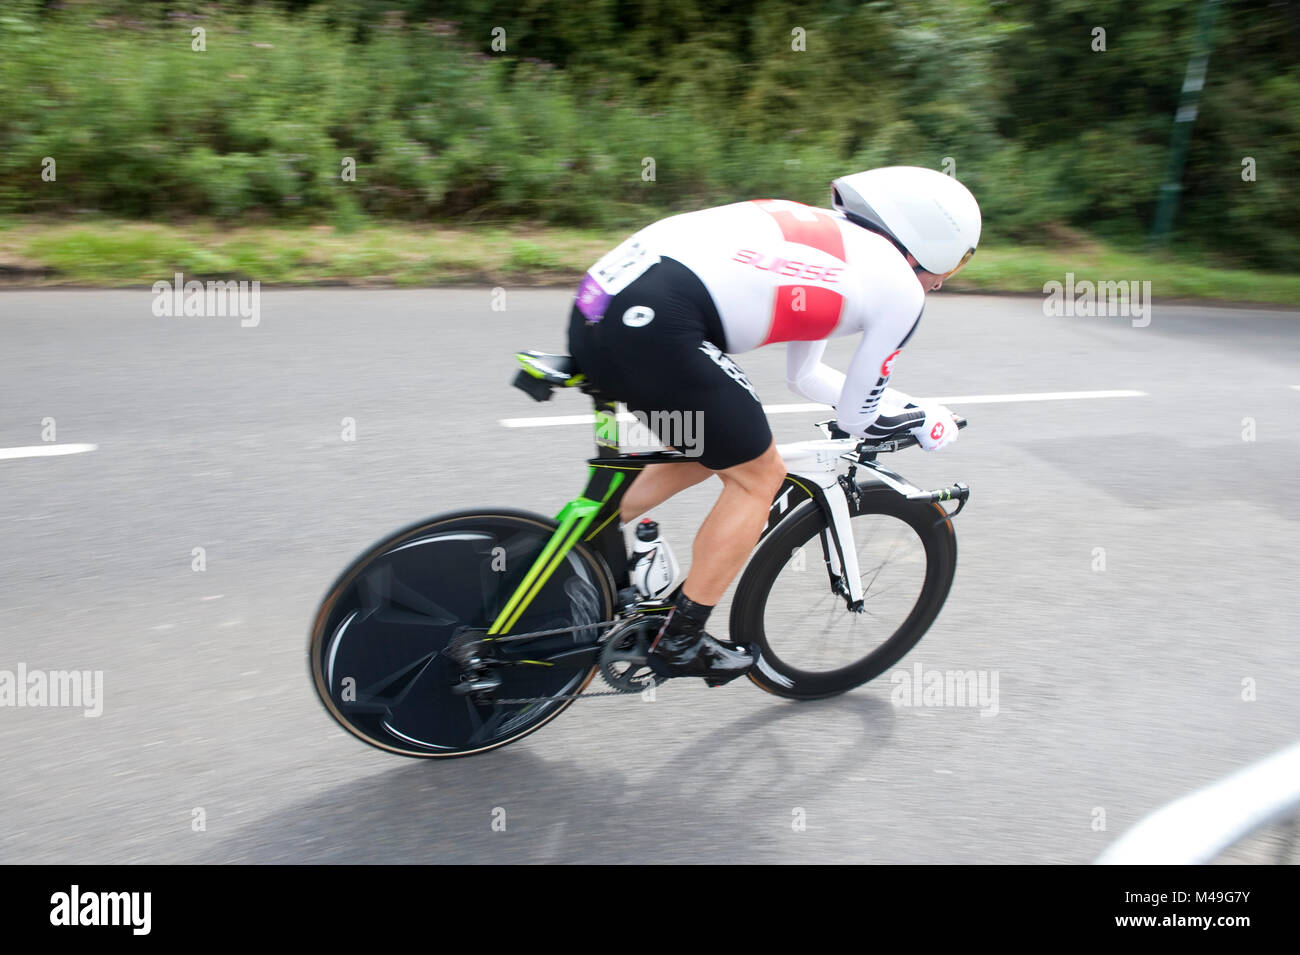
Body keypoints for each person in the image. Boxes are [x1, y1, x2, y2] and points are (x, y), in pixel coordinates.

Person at [567, 166, 981, 684]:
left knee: (714, 446)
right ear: (932, 244)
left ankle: (577, 545)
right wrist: (924, 421)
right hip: (656, 322)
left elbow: (806, 376)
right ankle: (679, 640)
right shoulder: (901, 286)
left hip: (601, 298)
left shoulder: (834, 245)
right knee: (759, 476)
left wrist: (903, 406)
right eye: (959, 260)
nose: (945, 279)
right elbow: (858, 416)